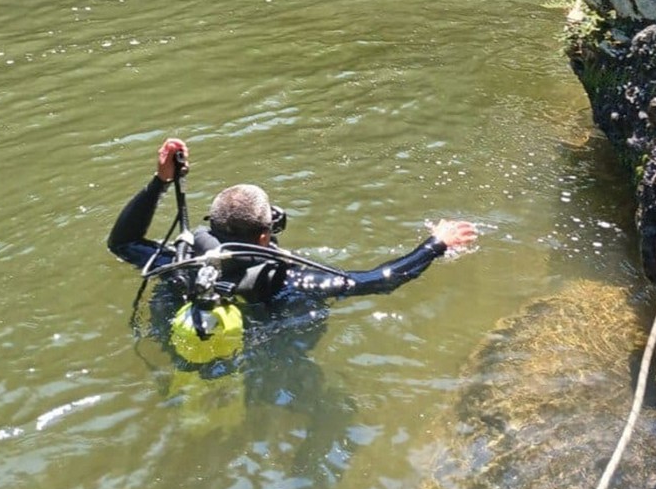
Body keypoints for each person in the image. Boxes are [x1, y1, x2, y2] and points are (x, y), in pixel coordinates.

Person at [108, 138, 478, 345]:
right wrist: (436, 244)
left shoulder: (181, 263)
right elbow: (378, 280)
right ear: (264, 234)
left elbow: (122, 243)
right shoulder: (288, 279)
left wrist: (160, 182)